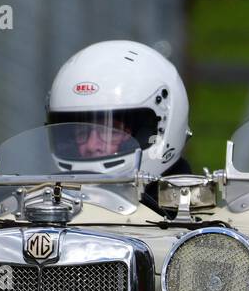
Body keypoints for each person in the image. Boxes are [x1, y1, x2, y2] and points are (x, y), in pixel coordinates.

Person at [45, 40, 193, 185]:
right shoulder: (54, 203)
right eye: (82, 132)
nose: (91, 145)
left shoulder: (184, 208)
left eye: (110, 131)